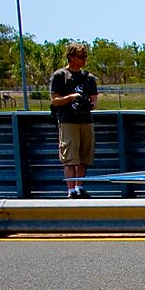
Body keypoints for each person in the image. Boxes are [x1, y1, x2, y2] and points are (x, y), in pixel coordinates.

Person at [49, 43, 99, 198]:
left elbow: (94, 100)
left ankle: (80, 187)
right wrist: (71, 98)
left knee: (84, 156)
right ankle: (70, 189)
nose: (84, 60)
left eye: (85, 57)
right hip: (68, 120)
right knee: (70, 157)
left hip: (85, 120)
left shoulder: (89, 78)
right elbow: (55, 100)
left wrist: (88, 104)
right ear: (71, 57)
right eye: (81, 57)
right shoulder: (60, 76)